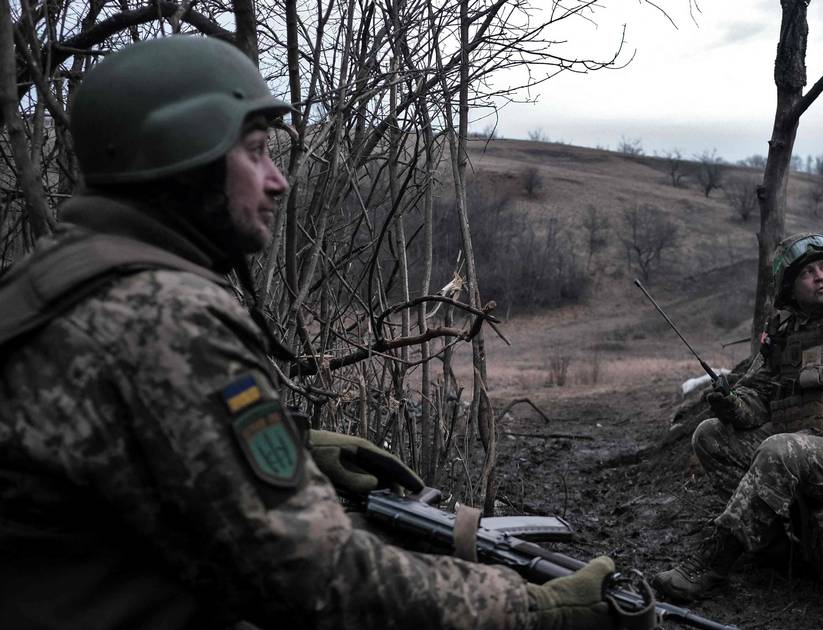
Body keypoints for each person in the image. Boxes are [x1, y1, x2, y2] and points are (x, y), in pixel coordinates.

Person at [0, 35, 617, 630]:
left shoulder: (53, 275)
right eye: (255, 151)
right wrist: (539, 611)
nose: (279, 179)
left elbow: (121, 443)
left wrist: (298, 445)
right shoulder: (165, 312)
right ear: (183, 153)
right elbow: (322, 581)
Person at [651, 233, 823, 602]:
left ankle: (714, 562)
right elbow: (759, 399)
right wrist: (731, 404)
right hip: (806, 446)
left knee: (780, 450)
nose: (821, 277)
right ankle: (776, 549)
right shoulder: (786, 335)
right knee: (709, 435)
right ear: (790, 288)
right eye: (808, 273)